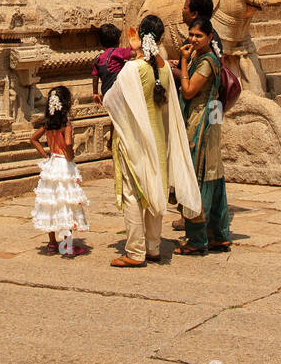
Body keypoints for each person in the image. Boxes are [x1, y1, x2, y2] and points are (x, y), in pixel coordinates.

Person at [103, 15, 202, 268]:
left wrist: (135, 55)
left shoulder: (132, 69)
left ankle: (135, 251)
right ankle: (154, 247)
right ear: (159, 39)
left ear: (139, 36)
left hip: (135, 138)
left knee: (133, 193)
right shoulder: (165, 69)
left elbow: (111, 100)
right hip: (158, 136)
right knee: (154, 187)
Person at [175, 14, 232, 255]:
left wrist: (184, 62)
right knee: (213, 173)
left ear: (210, 37)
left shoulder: (207, 62)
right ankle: (218, 235)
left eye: (199, 35)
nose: (194, 39)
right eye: (191, 34)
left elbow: (188, 91)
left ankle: (197, 240)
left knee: (197, 174)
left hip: (201, 122)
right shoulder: (206, 57)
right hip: (210, 118)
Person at [30, 86, 90, 257]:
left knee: (51, 201)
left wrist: (45, 154)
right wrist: (70, 155)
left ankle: (51, 244)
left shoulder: (48, 125)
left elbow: (33, 139)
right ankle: (67, 246)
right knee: (66, 202)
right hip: (64, 164)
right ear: (66, 104)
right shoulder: (66, 125)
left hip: (52, 163)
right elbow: (69, 143)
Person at [91, 24, 132, 103]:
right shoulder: (118, 52)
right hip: (119, 91)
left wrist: (95, 93)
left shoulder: (98, 58)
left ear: (101, 43)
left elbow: (95, 77)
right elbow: (133, 54)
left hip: (106, 93)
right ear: (118, 40)